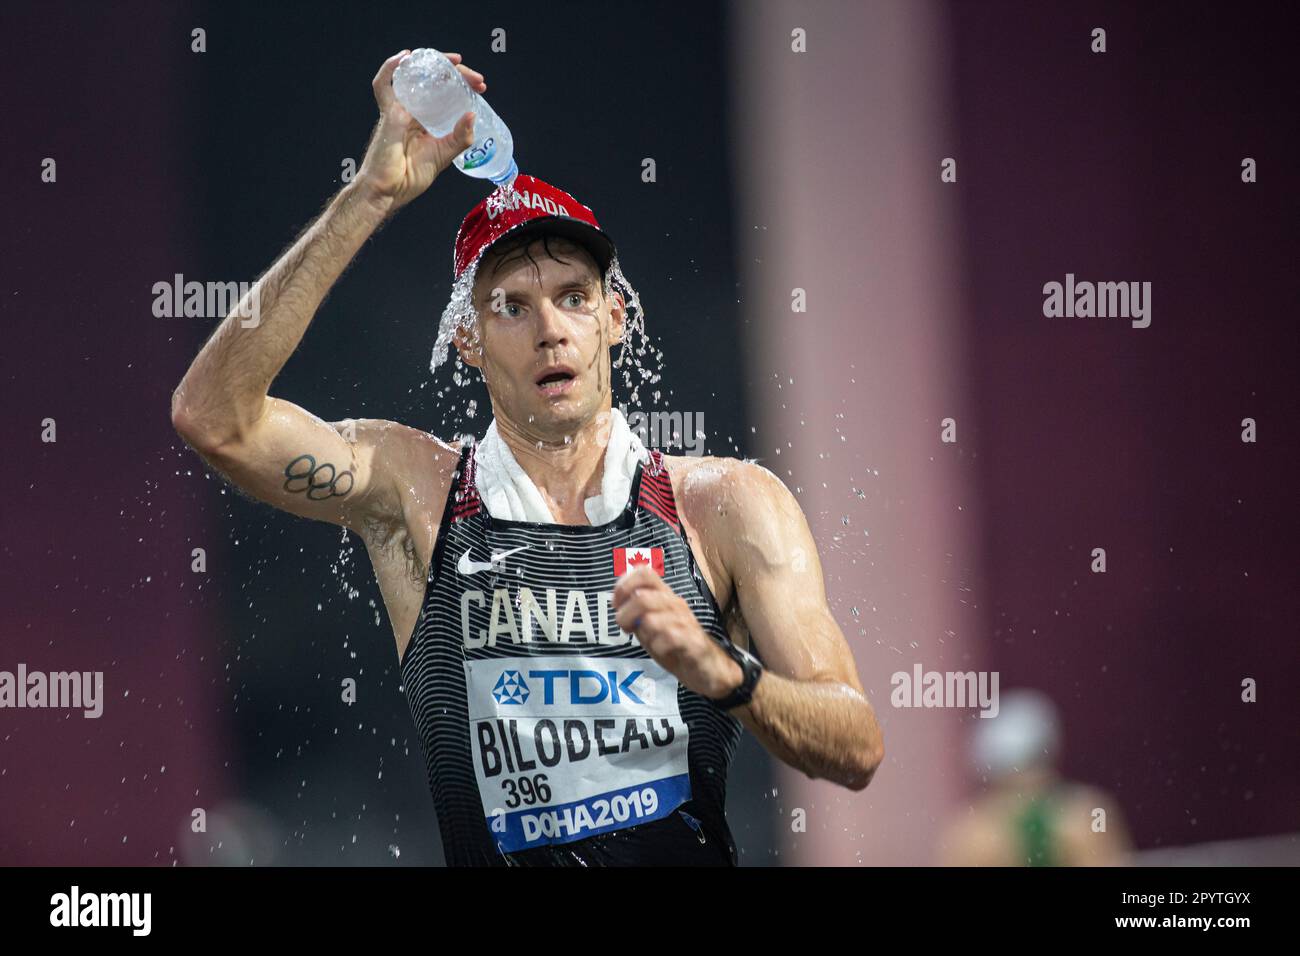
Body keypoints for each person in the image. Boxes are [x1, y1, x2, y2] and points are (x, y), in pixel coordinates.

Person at [171, 49, 884, 866]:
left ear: (615, 318)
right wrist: (370, 196)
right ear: (466, 340)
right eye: (511, 305)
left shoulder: (724, 505)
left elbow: (856, 745)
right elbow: (213, 419)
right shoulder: (418, 493)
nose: (550, 327)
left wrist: (723, 671)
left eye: (573, 297)